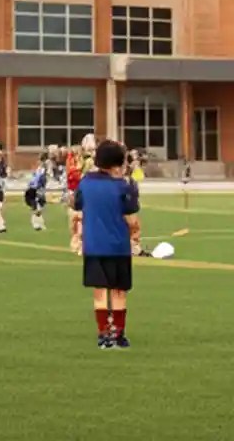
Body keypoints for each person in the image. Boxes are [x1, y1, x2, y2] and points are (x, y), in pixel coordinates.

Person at [72, 140, 141, 350]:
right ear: (118, 162)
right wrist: (136, 238)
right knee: (118, 291)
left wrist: (76, 238)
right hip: (118, 247)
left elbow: (78, 211)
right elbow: (132, 220)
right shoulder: (124, 186)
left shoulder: (85, 183)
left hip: (93, 246)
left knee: (100, 292)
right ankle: (119, 335)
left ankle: (103, 334)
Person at [23, 158, 49, 231]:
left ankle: (39, 224)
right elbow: (36, 182)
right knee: (37, 208)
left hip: (38, 191)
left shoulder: (40, 172)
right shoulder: (39, 172)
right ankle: (36, 224)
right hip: (35, 191)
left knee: (40, 208)